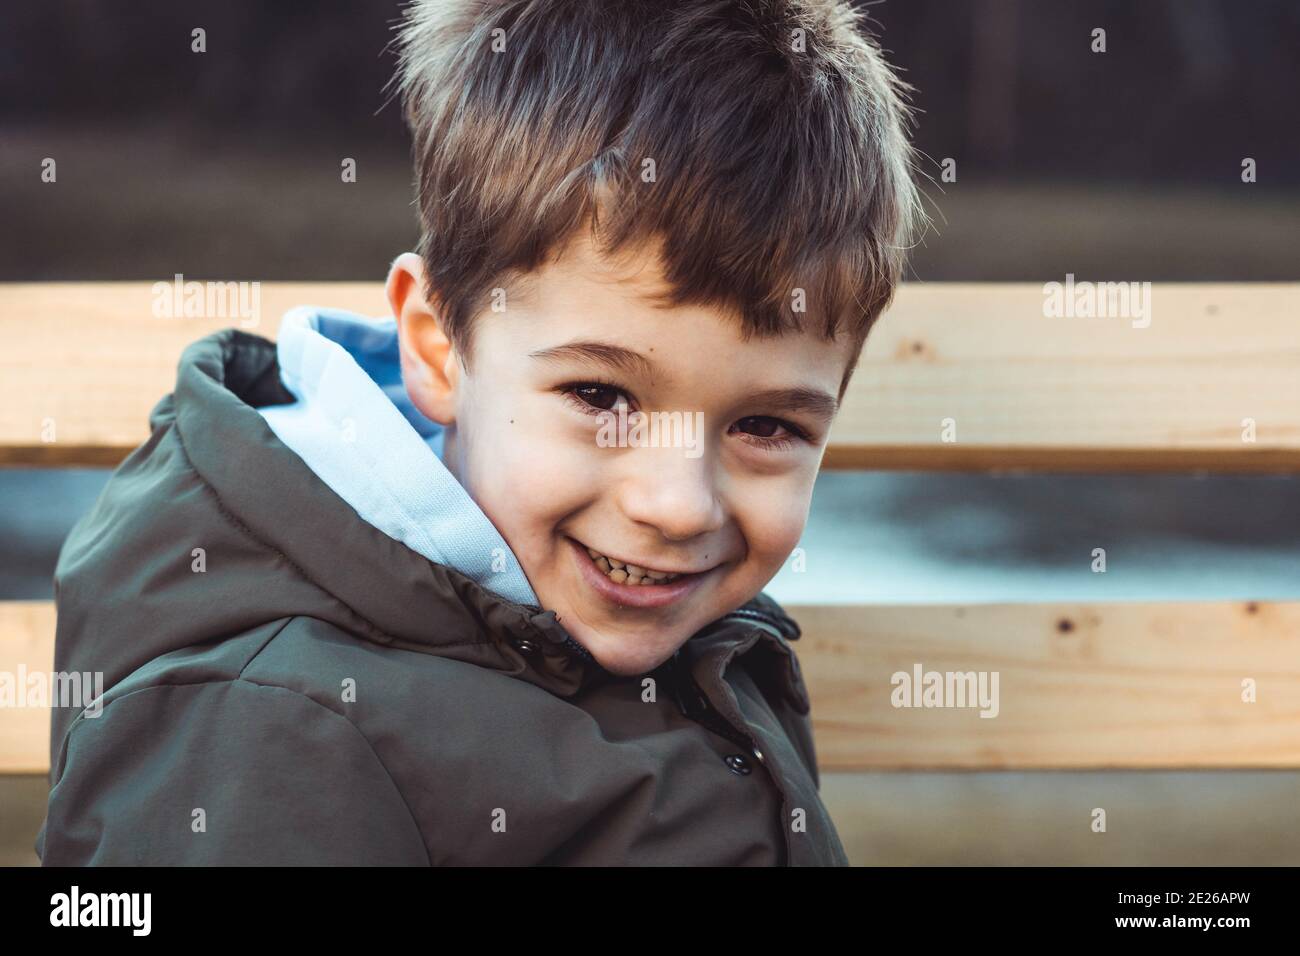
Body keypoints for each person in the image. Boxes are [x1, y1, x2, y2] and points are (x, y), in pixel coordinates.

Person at [38, 0, 920, 865]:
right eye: (601, 397)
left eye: (764, 425)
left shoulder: (638, 613)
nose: (680, 506)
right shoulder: (267, 732)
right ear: (438, 348)